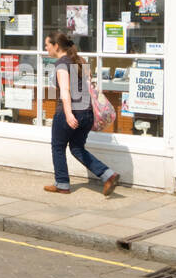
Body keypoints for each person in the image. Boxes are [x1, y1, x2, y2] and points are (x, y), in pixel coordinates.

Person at [43, 31, 119, 196]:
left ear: (56, 46)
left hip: (70, 112)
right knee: (76, 147)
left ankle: (62, 184)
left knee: (58, 147)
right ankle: (108, 174)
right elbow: (88, 85)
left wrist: (69, 114)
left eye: (47, 44)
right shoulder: (80, 61)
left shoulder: (61, 64)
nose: (46, 48)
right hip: (87, 112)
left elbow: (65, 90)